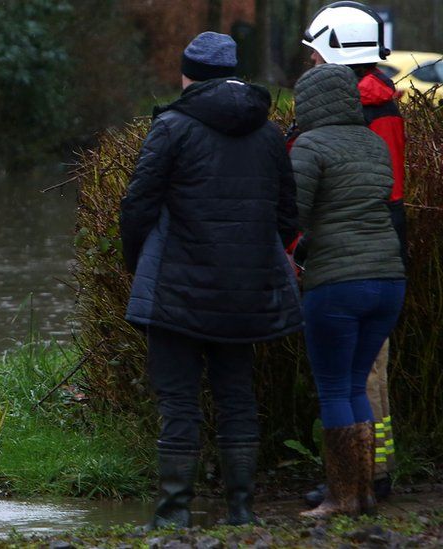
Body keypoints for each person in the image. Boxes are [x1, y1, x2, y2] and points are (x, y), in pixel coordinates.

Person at [121, 32, 302, 528]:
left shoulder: (173, 127)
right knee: (237, 395)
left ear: (188, 75)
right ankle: (241, 509)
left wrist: (137, 263)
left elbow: (138, 204)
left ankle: (174, 512)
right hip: (245, 292)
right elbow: (288, 213)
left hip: (177, 288)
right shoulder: (267, 132)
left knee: (179, 398)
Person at [289, 63, 406, 518]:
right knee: (357, 385)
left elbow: (292, 216)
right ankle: (364, 492)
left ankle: (341, 496)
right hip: (388, 279)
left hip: (337, 283)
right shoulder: (374, 144)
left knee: (335, 388)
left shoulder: (312, 145)